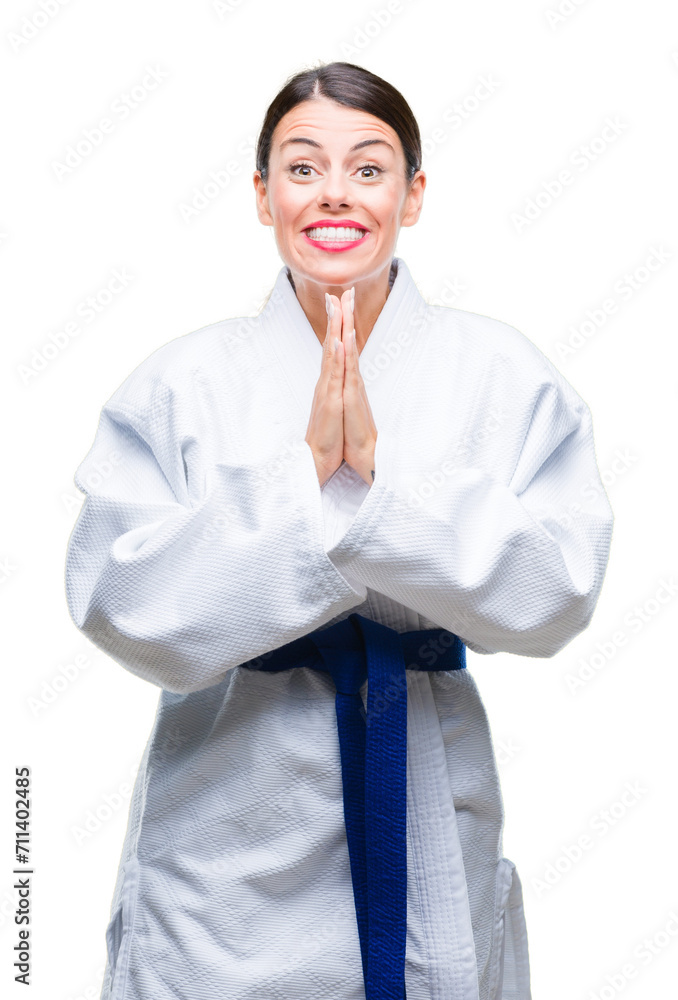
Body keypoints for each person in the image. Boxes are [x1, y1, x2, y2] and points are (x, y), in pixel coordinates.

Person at [64, 60, 614, 1000]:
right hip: (228, 811)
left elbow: (557, 595)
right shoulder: (184, 382)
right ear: (262, 193)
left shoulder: (502, 373)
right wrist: (303, 478)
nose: (336, 194)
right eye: (303, 165)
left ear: (414, 193)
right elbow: (118, 605)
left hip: (425, 790)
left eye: (369, 168)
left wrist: (387, 484)